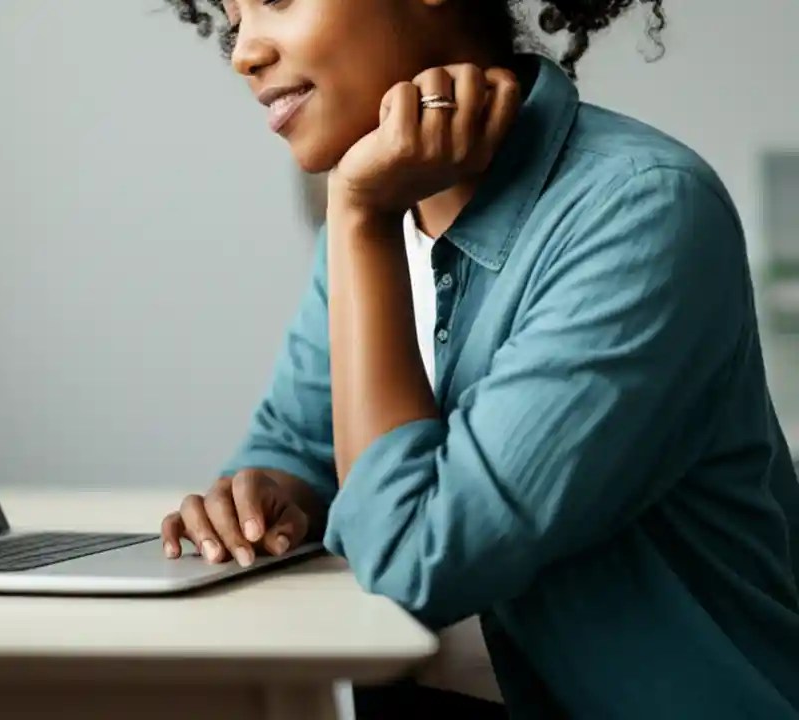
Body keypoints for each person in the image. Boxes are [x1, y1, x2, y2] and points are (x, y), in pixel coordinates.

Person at [156, 1, 799, 717]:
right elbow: (296, 448)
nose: (243, 52)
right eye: (230, 16)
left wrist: (357, 215)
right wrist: (259, 499)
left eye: (274, 0)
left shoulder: (643, 209)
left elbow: (414, 560)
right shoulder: (386, 191)